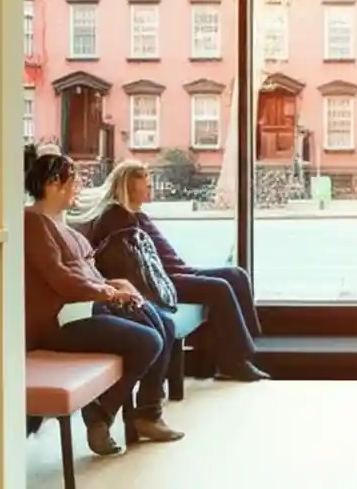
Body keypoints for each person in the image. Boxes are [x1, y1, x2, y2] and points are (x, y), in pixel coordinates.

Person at [23, 145, 184, 456]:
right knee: (147, 340)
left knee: (162, 322)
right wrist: (109, 292)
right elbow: (60, 278)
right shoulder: (33, 223)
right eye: (73, 181)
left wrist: (116, 284)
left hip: (85, 309)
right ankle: (102, 413)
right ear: (52, 184)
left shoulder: (60, 223)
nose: (78, 188)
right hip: (60, 321)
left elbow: (87, 272)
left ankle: (148, 413)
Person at [80, 160, 270, 382]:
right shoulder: (117, 218)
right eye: (146, 187)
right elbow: (135, 266)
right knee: (220, 288)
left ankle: (249, 346)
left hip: (176, 272)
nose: (149, 193)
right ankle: (234, 363)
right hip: (162, 281)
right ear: (130, 190)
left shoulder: (135, 214)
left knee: (236, 275)